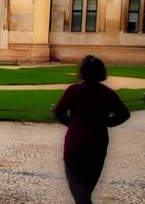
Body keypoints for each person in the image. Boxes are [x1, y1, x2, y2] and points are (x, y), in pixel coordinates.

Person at [54, 55, 130, 204]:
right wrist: (107, 123)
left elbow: (59, 112)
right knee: (87, 186)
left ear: (82, 71)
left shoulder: (74, 90)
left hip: (76, 142)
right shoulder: (108, 93)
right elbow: (124, 114)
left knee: (77, 184)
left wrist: (73, 124)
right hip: (98, 141)